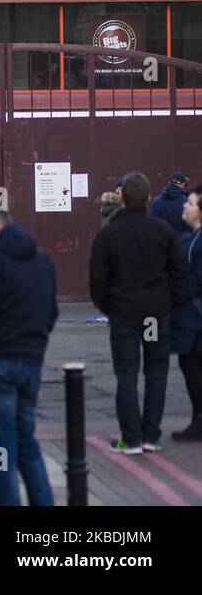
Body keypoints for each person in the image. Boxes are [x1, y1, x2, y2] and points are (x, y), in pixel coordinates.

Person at [0, 202, 58, 506]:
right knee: (27, 442)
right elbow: (51, 312)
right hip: (30, 361)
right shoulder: (41, 260)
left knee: (2, 448)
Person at [89, 171, 186, 454]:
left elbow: (97, 279)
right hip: (155, 315)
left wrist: (108, 306)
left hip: (124, 314)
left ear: (121, 196)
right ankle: (150, 435)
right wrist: (168, 300)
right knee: (156, 373)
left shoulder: (109, 235)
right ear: (148, 198)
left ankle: (130, 438)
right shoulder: (163, 231)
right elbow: (178, 273)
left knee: (127, 374)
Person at [171, 184, 202, 441]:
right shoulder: (188, 239)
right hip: (187, 317)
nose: (185, 206)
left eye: (190, 204)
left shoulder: (197, 243)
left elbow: (195, 279)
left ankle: (199, 421)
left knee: (193, 365)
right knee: (188, 363)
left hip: (195, 318)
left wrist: (175, 288)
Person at [151, 171, 191, 235]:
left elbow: (152, 225)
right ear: (183, 184)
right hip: (181, 243)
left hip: (161, 243)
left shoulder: (156, 201)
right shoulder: (187, 203)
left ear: (169, 182)